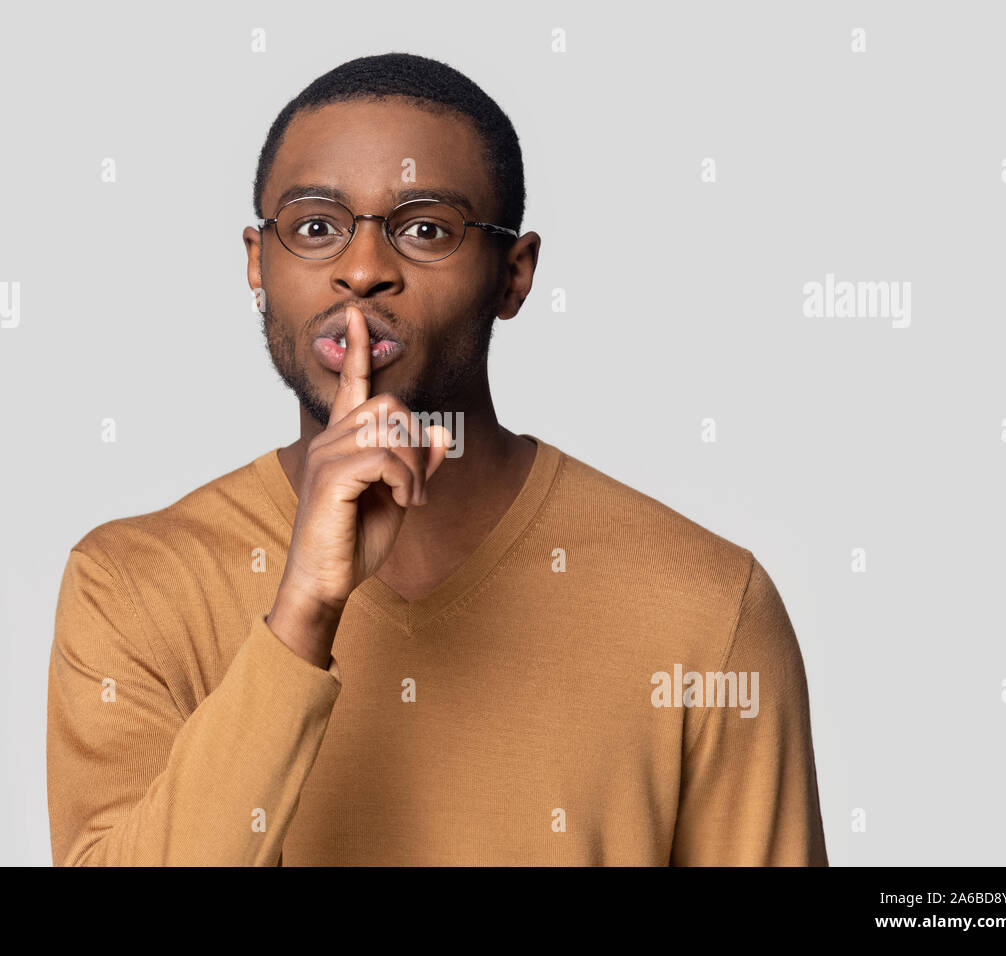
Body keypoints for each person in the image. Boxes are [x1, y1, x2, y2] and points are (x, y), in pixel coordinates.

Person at [46, 52, 828, 866]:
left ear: (513, 276)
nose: (362, 271)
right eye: (316, 227)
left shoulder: (705, 605)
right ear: (256, 262)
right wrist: (304, 612)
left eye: (425, 229)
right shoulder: (130, 587)